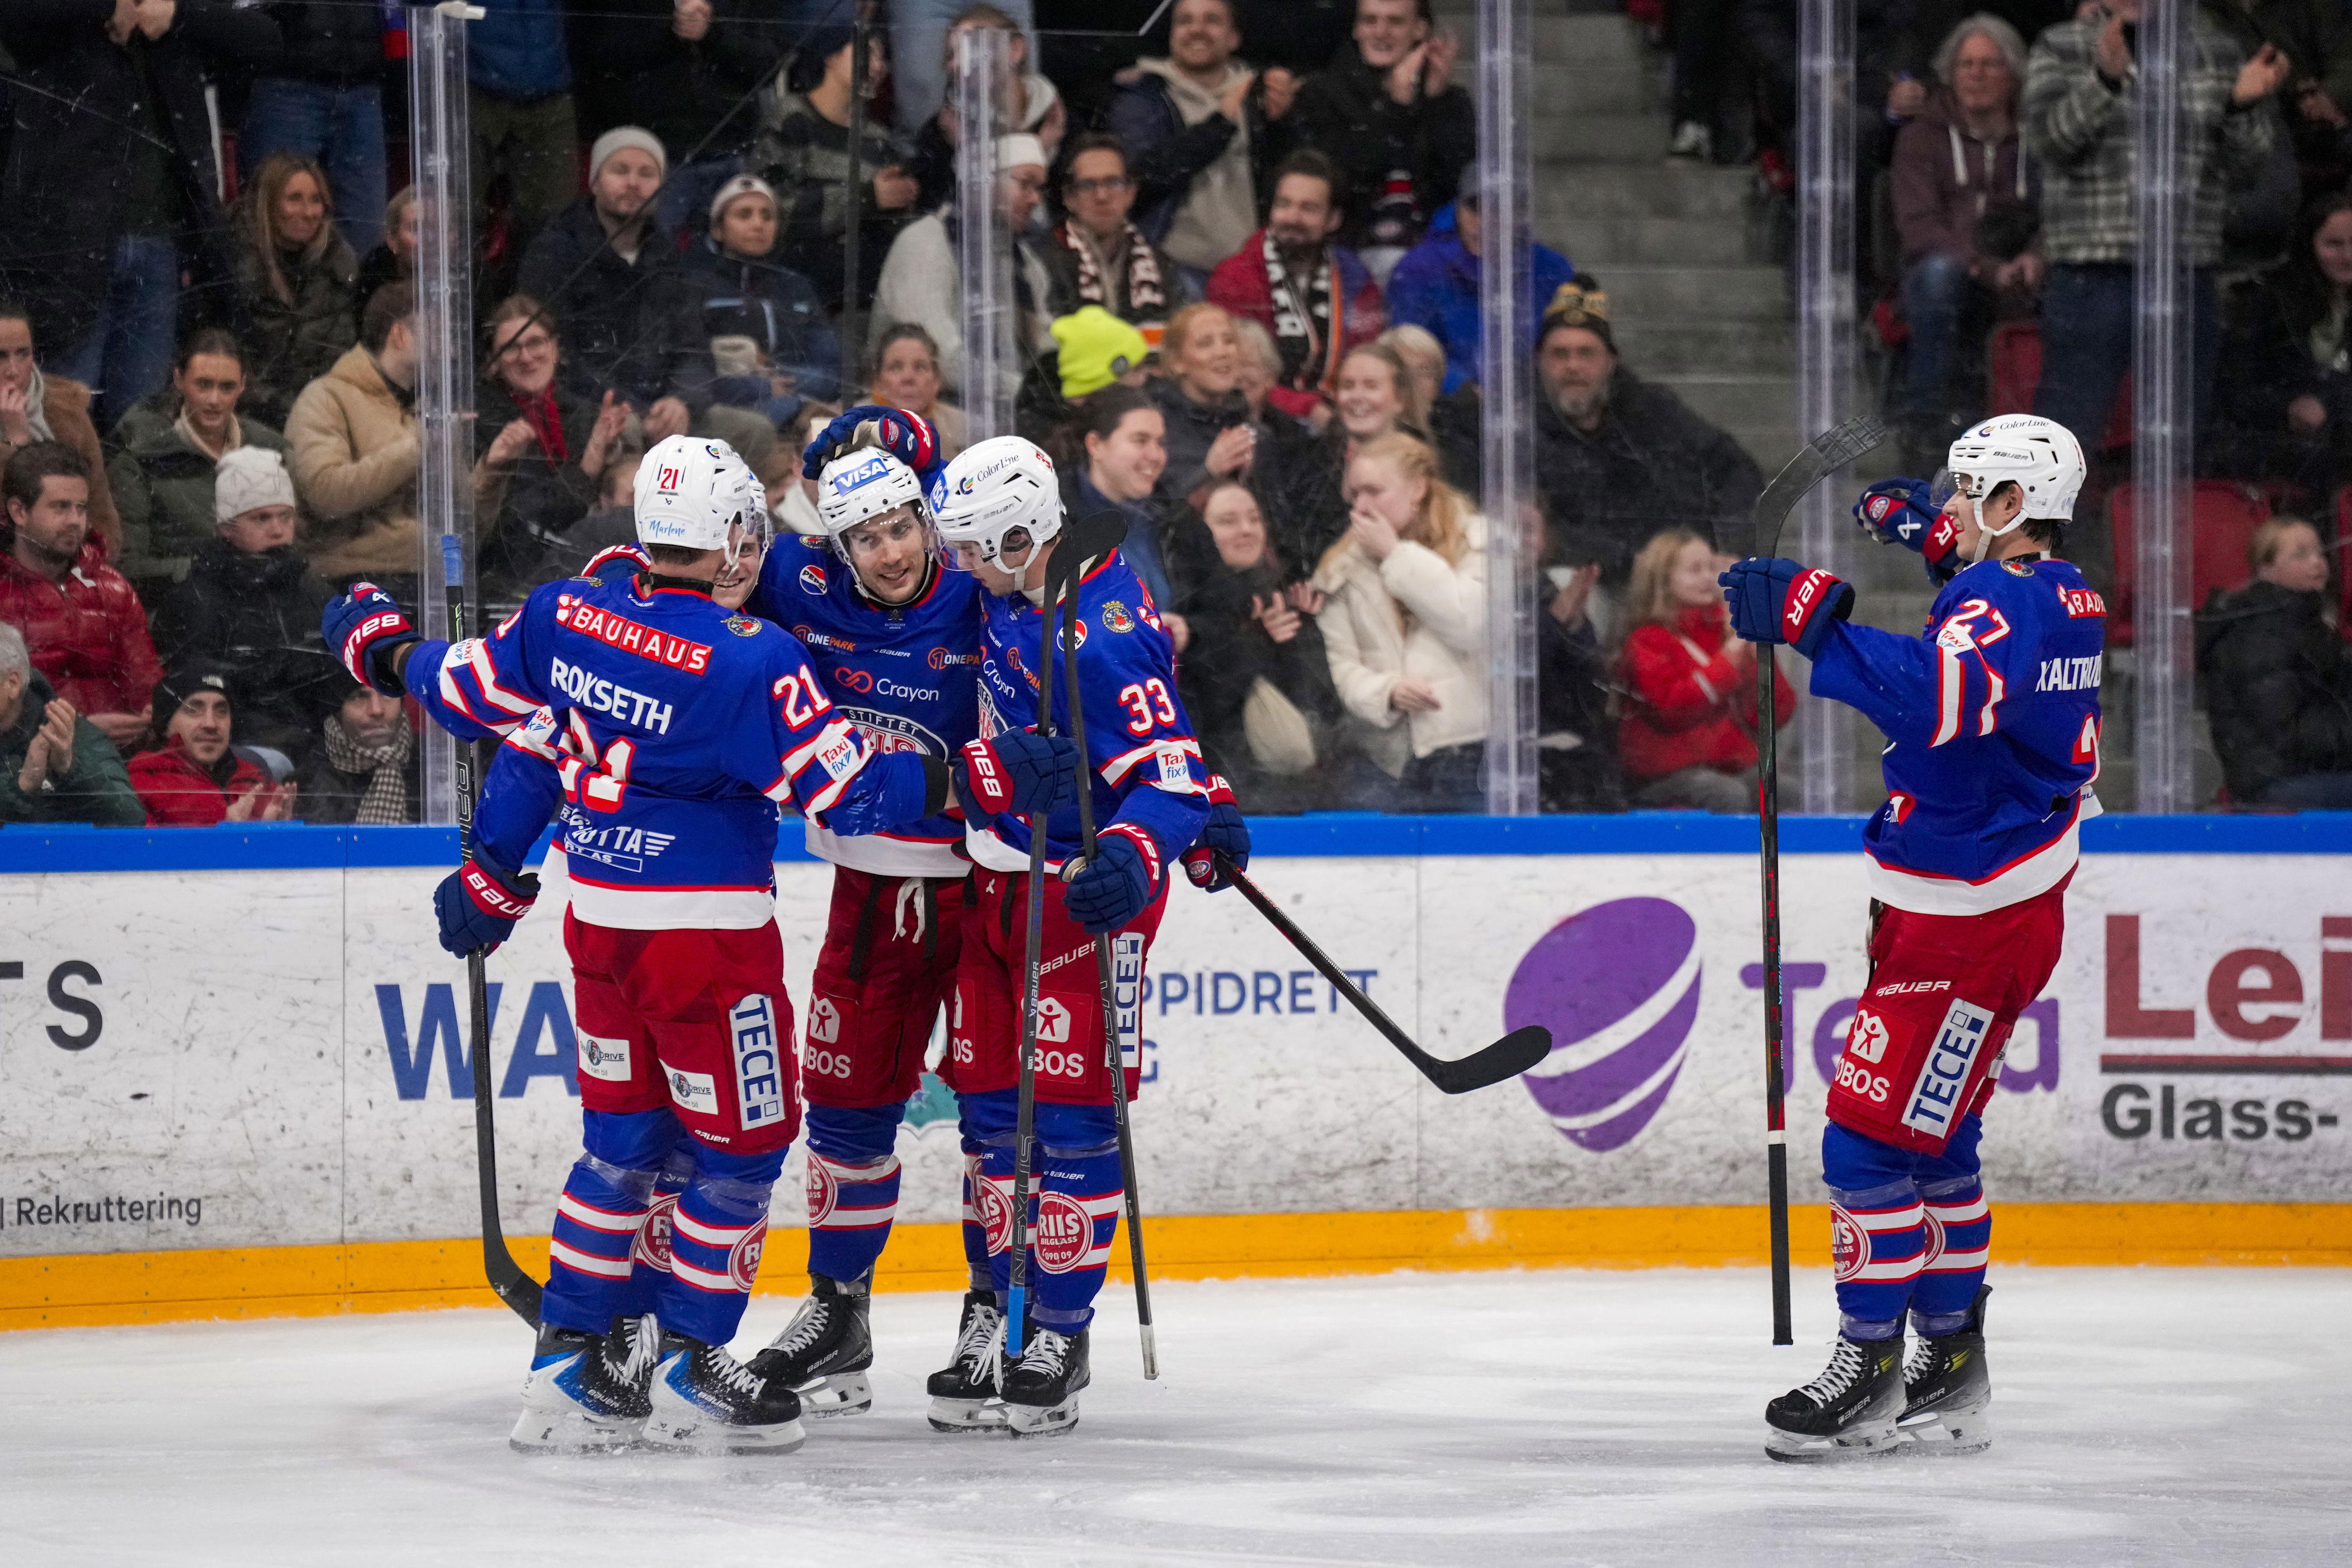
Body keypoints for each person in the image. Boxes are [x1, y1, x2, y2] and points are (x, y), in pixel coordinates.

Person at [320, 435, 1039, 1453]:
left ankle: (569, 1362)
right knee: (742, 1148)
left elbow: (479, 702)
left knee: (622, 1147)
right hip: (708, 943)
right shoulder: (756, 656)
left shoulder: (569, 611)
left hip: (599, 923)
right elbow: (857, 789)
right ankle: (686, 1354)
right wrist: (995, 774)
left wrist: (382, 652)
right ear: (738, 533)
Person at [1720, 413, 2101, 1460]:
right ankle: (1950, 1361)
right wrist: (1925, 534)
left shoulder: (1996, 599)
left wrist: (1813, 623)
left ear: (2014, 504)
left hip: (1967, 916)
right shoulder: (2058, 588)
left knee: (1866, 1137)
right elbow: (1991, 616)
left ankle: (1869, 1370)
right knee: (1938, 1136)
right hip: (1993, 897)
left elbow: (1944, 694)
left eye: (1966, 490)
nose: (1947, 504)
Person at [923, 431, 1230, 1435]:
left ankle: (1057, 1324)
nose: (960, 567)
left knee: (1068, 1120)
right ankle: (991, 1304)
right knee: (985, 1121)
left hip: (1082, 897)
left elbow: (1168, 770)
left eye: (974, 547)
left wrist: (1141, 850)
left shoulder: (1102, 630)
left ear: (1022, 536)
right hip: (995, 881)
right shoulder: (1012, 591)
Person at [723, 413, 999, 1423]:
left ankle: (995, 1308)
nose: (890, 550)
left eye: (903, 526)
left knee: (997, 1113)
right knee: (841, 1105)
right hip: (869, 891)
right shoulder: (798, 582)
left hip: (984, 889)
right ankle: (839, 1309)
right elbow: (687, 562)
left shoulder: (982, 595)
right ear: (836, 549)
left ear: (928, 518)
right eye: (866, 537)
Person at [2022, 1, 2285, 480]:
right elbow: (2047, 144)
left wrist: (2240, 106)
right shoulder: (2061, 45)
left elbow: (2251, 168)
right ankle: (2039, 554)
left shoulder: (2215, 52)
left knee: (2179, 443)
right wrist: (2103, 81)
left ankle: (2143, 554)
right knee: (2064, 442)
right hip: (2091, 271)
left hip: (2186, 271)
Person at [0, 0, 273, 431]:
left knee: (140, 425)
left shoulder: (171, 13)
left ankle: (123, 498)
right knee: (64, 417)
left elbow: (265, 37)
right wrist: (106, 7)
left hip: (159, 243)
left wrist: (177, 15)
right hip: (69, 246)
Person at [1532, 276, 1763, 591]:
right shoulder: (1520, 428)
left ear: (1611, 361)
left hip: (1674, 581)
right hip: (1594, 585)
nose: (1573, 366)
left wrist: (1731, 549)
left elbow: (1735, 469)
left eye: (1586, 353)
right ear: (1539, 362)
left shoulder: (1652, 409)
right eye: (1560, 354)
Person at [1889, 15, 2037, 468]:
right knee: (1939, 275)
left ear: (2013, 76)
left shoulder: (2039, 140)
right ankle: (1926, 427)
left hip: (2023, 272)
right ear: (1949, 76)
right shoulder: (1920, 139)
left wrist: (2039, 256)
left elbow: (2064, 211)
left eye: (1990, 65)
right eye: (1966, 65)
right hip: (1951, 273)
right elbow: (1919, 228)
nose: (1976, 75)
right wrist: (1985, 266)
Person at [1311, 431, 1487, 809]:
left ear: (1418, 489)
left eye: (1375, 492)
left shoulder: (1477, 542)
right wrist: (1386, 692)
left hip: (1468, 748)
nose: (1361, 506)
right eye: (1355, 494)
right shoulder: (1340, 568)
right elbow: (1342, 668)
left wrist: (1395, 555)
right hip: (1386, 759)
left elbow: (1469, 626)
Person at [515, 129, 721, 451]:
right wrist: (634, 408)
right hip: (589, 406)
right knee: (629, 433)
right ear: (595, 182)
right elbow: (558, 357)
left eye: (647, 174)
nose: (634, 184)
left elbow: (694, 349)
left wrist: (681, 402)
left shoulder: (671, 259)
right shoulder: (554, 252)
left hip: (665, 409)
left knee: (752, 429)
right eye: (620, 171)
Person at [1170, 478, 1345, 813]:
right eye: (1227, 521)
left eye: (1254, 518)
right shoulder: (1185, 608)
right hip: (1227, 799)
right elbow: (1206, 713)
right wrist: (1252, 641)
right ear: (1198, 535)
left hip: (1297, 796)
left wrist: (1293, 640)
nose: (1246, 529)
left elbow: (1325, 705)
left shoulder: (1285, 595)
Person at [158, 446, 338, 762]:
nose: (278, 530)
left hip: (314, 739)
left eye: (286, 516)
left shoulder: (316, 593)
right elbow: (205, 695)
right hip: (244, 743)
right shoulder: (197, 600)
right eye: (261, 518)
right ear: (226, 527)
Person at [1105, 0, 1302, 287]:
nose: (1197, 30)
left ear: (1234, 37)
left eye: (1211, 20)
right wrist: (1220, 125)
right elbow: (1141, 178)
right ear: (1172, 34)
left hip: (1253, 271)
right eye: (1185, 21)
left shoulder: (1256, 95)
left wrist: (1281, 122)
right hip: (1174, 270)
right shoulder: (1142, 99)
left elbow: (1288, 175)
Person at [569, 0, 789, 239]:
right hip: (652, 159)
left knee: (729, 266)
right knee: (649, 260)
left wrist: (712, 34)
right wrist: (673, 35)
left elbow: (767, 64)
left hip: (732, 151)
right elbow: (601, 59)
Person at [1290, 0, 1475, 278]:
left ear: (1420, 30)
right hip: (1344, 257)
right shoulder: (1321, 93)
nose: (1381, 32)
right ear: (1356, 29)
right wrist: (1396, 108)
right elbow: (1342, 182)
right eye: (1370, 21)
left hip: (1431, 257)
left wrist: (1436, 101)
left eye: (1395, 22)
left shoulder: (1450, 101)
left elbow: (1455, 186)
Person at [1616, 528, 1796, 813]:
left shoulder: (1724, 629)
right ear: (1662, 580)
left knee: (1784, 792)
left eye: (1711, 569)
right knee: (1725, 794)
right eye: (1694, 570)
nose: (1707, 578)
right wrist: (1728, 660)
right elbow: (1670, 708)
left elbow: (1776, 714)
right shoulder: (1648, 640)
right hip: (1663, 776)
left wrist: (1755, 653)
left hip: (1725, 767)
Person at [868, 134, 1056, 404]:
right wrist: (1026, 391)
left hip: (1004, 408)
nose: (1035, 199)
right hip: (922, 412)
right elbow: (938, 357)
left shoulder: (1025, 263)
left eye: (1040, 188)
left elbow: (1044, 344)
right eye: (1026, 184)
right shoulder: (925, 243)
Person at [474, 296, 635, 608]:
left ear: (555, 347)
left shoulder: (585, 412)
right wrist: (590, 463)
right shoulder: (488, 423)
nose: (526, 357)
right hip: (513, 574)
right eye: (511, 348)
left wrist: (614, 453)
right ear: (494, 361)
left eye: (536, 342)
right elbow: (529, 519)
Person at [1206, 150, 1387, 425]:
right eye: (1284, 204)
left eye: (1309, 209)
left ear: (1333, 220)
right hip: (1262, 419)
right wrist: (1308, 408)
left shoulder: (1354, 277)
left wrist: (1346, 405)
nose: (1292, 218)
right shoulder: (1235, 277)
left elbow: (1369, 355)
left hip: (1343, 413)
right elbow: (1236, 376)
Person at [750, 23, 920, 314]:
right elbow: (775, 211)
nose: (878, 66)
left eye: (883, 59)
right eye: (868, 53)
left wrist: (901, 200)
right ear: (831, 56)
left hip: (863, 298)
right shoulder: (790, 118)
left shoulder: (878, 138)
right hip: (799, 293)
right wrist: (867, 197)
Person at [110, 331, 291, 602]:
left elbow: (298, 544)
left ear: (242, 387)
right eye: (203, 385)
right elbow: (126, 566)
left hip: (266, 599)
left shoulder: (272, 451)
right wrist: (205, 569)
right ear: (179, 381)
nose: (214, 400)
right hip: (181, 606)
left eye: (227, 387)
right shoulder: (138, 458)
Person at [0, 441, 159, 750]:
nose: (75, 520)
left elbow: (145, 680)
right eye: (60, 507)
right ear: (19, 512)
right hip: (23, 760)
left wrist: (153, 716)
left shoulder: (114, 587)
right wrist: (76, 729)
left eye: (81, 508)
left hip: (120, 756)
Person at [2196, 516, 2352, 809]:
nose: (2318, 563)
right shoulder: (2256, 634)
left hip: (2308, 773)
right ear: (2266, 569)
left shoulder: (2306, 624)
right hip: (2276, 783)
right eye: (2301, 555)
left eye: (2320, 553)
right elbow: (2289, 731)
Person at [286, 281, 422, 598]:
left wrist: (492, 472)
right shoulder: (325, 397)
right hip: (356, 583)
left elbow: (466, 527)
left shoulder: (425, 409)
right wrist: (417, 450)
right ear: (400, 335)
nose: (452, 348)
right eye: (438, 333)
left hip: (429, 577)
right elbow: (326, 495)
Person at [2216, 193, 2352, 501]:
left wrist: (2329, 405)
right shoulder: (2268, 302)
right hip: (2271, 439)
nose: (2348, 256)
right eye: (2334, 245)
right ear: (2308, 247)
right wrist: (2288, 408)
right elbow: (2232, 389)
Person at [682, 174, 843, 431]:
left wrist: (780, 379)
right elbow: (692, 371)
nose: (758, 224)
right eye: (744, 215)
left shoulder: (798, 287)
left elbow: (830, 369)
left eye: (768, 217)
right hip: (727, 414)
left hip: (798, 403)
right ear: (718, 228)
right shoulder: (695, 287)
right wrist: (760, 387)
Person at [1385, 184, 1575, 396]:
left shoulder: (1551, 268)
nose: (1484, 223)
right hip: (1442, 406)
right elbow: (1406, 348)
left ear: (1519, 216)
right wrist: (1461, 390)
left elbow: (1570, 344)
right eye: (1475, 209)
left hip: (1534, 405)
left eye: (1498, 211)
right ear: (1457, 211)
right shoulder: (1418, 269)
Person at [1263, 341, 1427, 577]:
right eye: (1348, 386)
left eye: (1371, 386)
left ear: (1400, 399)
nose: (1357, 397)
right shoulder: (1302, 461)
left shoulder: (1425, 468)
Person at [238, 0, 388, 256]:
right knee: (274, 224)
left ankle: (350, 294)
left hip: (364, 78)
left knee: (365, 234)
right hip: (286, 74)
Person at [230, 152, 360, 431]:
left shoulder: (339, 268)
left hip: (317, 419)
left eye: (316, 200)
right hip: (245, 417)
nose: (309, 212)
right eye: (294, 199)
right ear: (268, 205)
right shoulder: (230, 262)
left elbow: (341, 358)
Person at [903, 5, 1066, 213]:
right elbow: (940, 215)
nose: (957, 63)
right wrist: (963, 149)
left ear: (1015, 50)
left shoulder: (1054, 116)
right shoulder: (942, 130)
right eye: (953, 54)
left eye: (973, 47)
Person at [1071, 385, 1190, 650]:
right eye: (1140, 440)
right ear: (1095, 445)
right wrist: (1134, 630)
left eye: (1160, 443)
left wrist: (1190, 631)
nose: (1156, 455)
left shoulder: (1175, 517)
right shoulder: (1056, 522)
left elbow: (1217, 603)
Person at [1038, 134, 1193, 337]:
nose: (1102, 196)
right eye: (1088, 185)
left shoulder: (1160, 264)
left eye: (1113, 183)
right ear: (1069, 197)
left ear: (1131, 192)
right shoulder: (1045, 259)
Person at [0, 300, 122, 555]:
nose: (13, 370)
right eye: (0, 356)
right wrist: (15, 444)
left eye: (23, 353)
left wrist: (85, 574)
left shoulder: (67, 412)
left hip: (71, 571)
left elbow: (101, 514)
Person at [467, 0, 580, 271]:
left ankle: (535, 308)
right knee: (458, 216)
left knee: (555, 223)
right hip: (469, 81)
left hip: (550, 84)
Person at [0, 620, 143, 825]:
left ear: (12, 683)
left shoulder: (66, 733)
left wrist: (70, 768)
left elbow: (130, 819)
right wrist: (22, 784)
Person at [127, 664, 295, 825]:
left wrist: (275, 833)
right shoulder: (140, 786)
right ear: (165, 724)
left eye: (221, 711)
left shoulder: (256, 780)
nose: (211, 724)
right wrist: (223, 831)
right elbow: (148, 853)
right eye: (193, 710)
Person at [1146, 303, 1262, 508]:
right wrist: (1209, 472)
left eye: (1229, 341)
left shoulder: (1257, 431)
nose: (1222, 352)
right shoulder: (1156, 431)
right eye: (1205, 344)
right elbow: (1153, 514)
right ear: (1177, 363)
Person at [295, 670, 417, 824]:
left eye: (387, 694)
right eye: (360, 696)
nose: (377, 710)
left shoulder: (432, 770)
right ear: (338, 712)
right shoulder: (305, 784)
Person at [1378, 320, 1479, 497]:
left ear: (1438, 381)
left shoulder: (1459, 440)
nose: (1414, 383)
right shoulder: (1368, 437)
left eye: (1425, 371)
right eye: (1403, 371)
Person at [870, 324, 969, 459]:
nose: (908, 378)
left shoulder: (967, 430)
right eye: (896, 368)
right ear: (878, 381)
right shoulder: (851, 431)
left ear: (937, 380)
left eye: (921, 367)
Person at [352, 187, 419, 343]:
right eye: (416, 229)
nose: (430, 238)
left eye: (438, 228)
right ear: (392, 240)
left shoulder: (473, 286)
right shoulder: (374, 293)